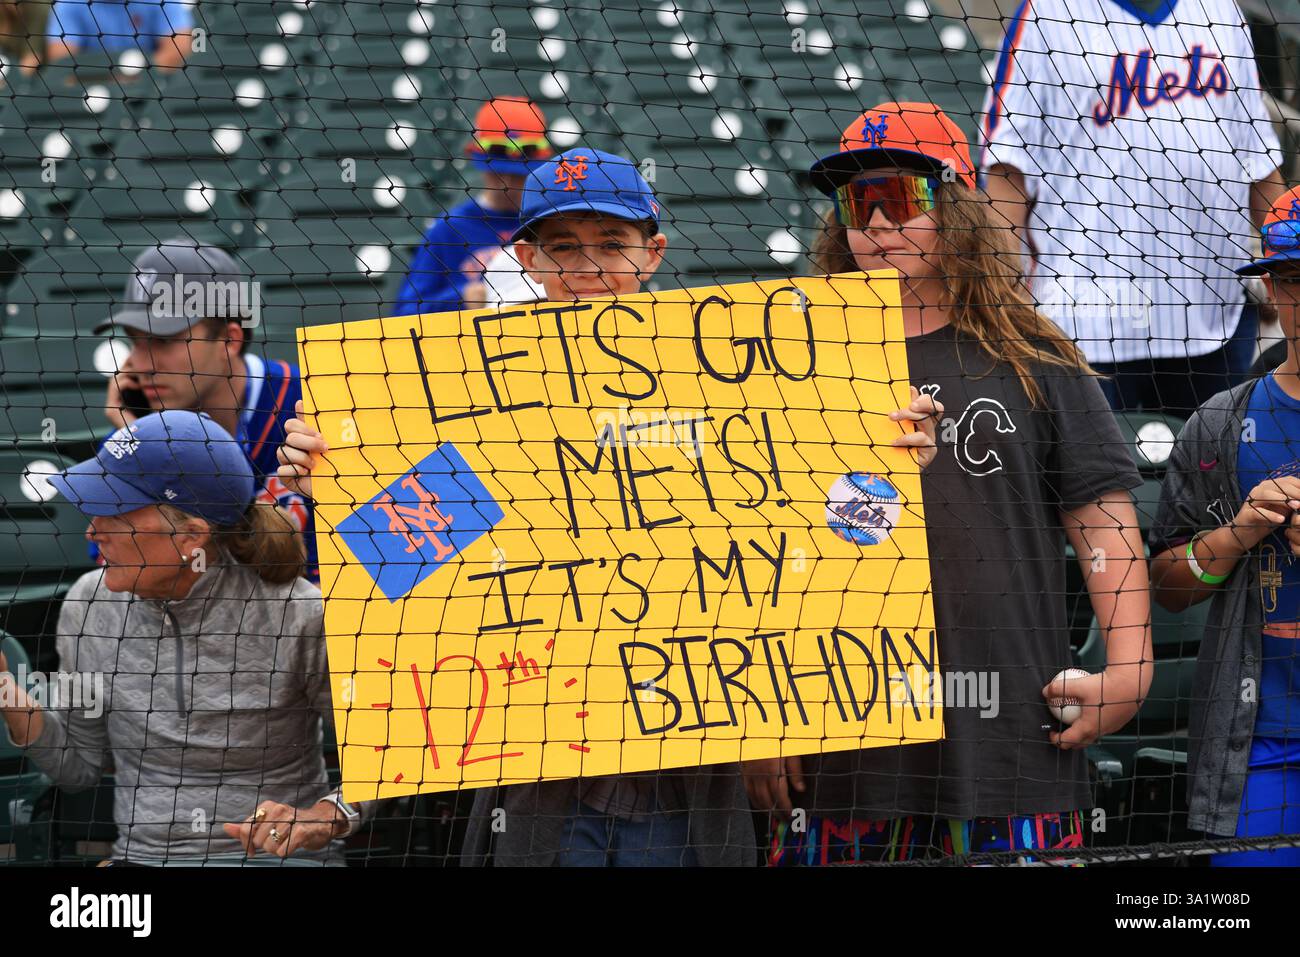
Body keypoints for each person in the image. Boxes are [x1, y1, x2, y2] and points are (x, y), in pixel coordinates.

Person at [279, 145, 947, 866]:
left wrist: (890, 467)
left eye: (612, 245)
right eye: (563, 248)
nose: (588, 268)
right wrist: (335, 488)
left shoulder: (725, 377)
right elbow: (408, 560)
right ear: (525, 258)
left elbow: (829, 541)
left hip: (690, 794)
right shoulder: (488, 401)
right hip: (546, 800)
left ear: (653, 252)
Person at [745, 102, 1152, 865]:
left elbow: (1102, 521)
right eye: (855, 203)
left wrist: (1130, 670)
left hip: (1010, 738)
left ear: (958, 208)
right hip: (844, 740)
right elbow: (756, 543)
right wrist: (758, 717)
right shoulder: (794, 355)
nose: (876, 223)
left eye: (899, 199)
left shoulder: (1032, 351)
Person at [0, 411, 370, 865]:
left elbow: (384, 756)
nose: (92, 531)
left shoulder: (298, 611)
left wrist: (321, 816)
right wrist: (8, 694)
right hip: (143, 860)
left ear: (190, 535)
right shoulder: (87, 604)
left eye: (112, 510)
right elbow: (76, 768)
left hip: (278, 861)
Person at [980, 0, 1285, 418]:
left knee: (1216, 480)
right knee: (1088, 482)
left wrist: (1283, 266)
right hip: (1081, 324)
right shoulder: (1048, 12)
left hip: (1212, 312)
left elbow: (1258, 160)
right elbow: (1007, 168)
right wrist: (1003, 294)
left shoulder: (1220, 9)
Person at [1150, 184, 1300, 866]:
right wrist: (1238, 532)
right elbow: (1170, 586)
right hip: (1260, 746)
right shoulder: (1218, 421)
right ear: (1271, 286)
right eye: (1294, 278)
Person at [96, 239, 317, 581]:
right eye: (136, 341)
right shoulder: (135, 433)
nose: (141, 364)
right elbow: (129, 580)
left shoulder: (314, 405)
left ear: (229, 340)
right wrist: (145, 455)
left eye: (163, 340)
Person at [394, 96, 553, 317]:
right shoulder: (450, 228)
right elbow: (404, 313)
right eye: (499, 172)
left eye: (517, 174)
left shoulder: (550, 222)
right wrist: (460, 299)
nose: (507, 182)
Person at [46, 0, 192, 66]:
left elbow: (180, 46)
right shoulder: (68, 4)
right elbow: (61, 60)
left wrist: (141, 76)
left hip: (153, 91)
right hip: (94, 94)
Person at [0, 0, 49, 73]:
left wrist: (10, 79)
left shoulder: (37, 8)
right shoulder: (4, 9)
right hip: (7, 65)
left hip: (36, 76)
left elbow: (31, 59)